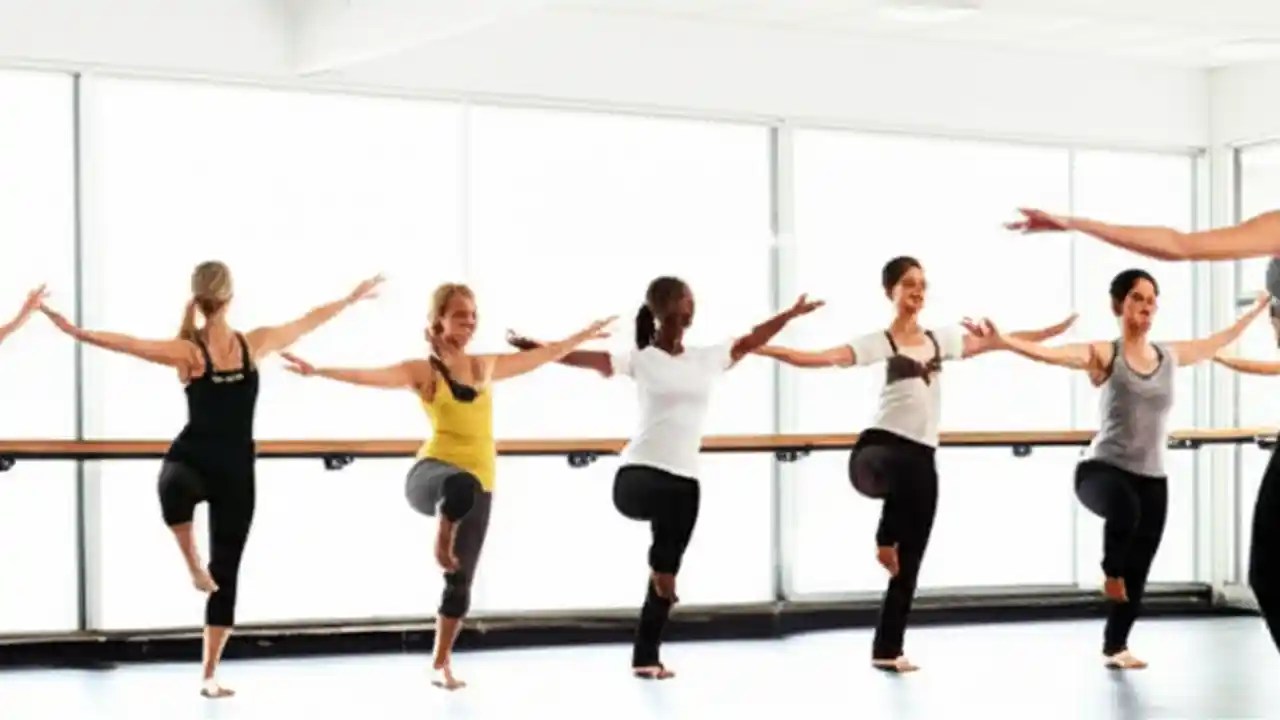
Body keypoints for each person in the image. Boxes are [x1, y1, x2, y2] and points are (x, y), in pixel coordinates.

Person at [38, 262, 383, 698]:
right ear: (230, 297)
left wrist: (350, 299)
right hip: (194, 459)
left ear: (199, 300)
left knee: (228, 573)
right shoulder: (190, 351)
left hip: (237, 472)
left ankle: (209, 674)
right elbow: (129, 345)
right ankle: (192, 565)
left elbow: (306, 321)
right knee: (173, 487)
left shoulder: (250, 344)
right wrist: (76, 332)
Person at [748, 256, 1076, 673]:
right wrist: (756, 347)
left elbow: (999, 343)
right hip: (878, 452)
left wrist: (1050, 332)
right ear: (891, 292)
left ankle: (888, 648)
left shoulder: (940, 341)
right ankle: (886, 535)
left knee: (911, 561)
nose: (917, 291)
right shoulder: (879, 343)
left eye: (922, 284)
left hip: (921, 456)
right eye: (908, 284)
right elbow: (816, 358)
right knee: (905, 468)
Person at [280, 282, 614, 691]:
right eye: (459, 316)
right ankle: (442, 530)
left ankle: (440, 664)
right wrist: (318, 371)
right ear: (439, 320)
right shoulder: (425, 370)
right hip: (431, 474)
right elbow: (373, 376)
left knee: (461, 582)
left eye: (473, 316)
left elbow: (543, 357)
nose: (468, 323)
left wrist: (583, 335)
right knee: (458, 486)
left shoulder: (485, 367)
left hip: (480, 483)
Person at [506, 277, 824, 680]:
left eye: (690, 302)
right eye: (683, 302)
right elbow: (577, 358)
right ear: (666, 310)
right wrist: (535, 347)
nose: (689, 310)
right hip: (637, 477)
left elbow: (750, 339)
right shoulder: (639, 359)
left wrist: (790, 314)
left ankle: (647, 655)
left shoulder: (705, 358)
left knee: (682, 505)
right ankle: (663, 569)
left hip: (680, 482)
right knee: (675, 515)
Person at [1006, 207, 1280, 660]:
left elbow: (1213, 333)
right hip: (1108, 467)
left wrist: (1249, 318)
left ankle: (1117, 637)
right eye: (1137, 298)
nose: (1146, 306)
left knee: (1250, 568)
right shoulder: (1108, 351)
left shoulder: (1166, 355)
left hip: (1151, 474)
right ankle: (1113, 597)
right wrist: (1078, 222)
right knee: (1266, 571)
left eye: (1151, 299)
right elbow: (1180, 243)